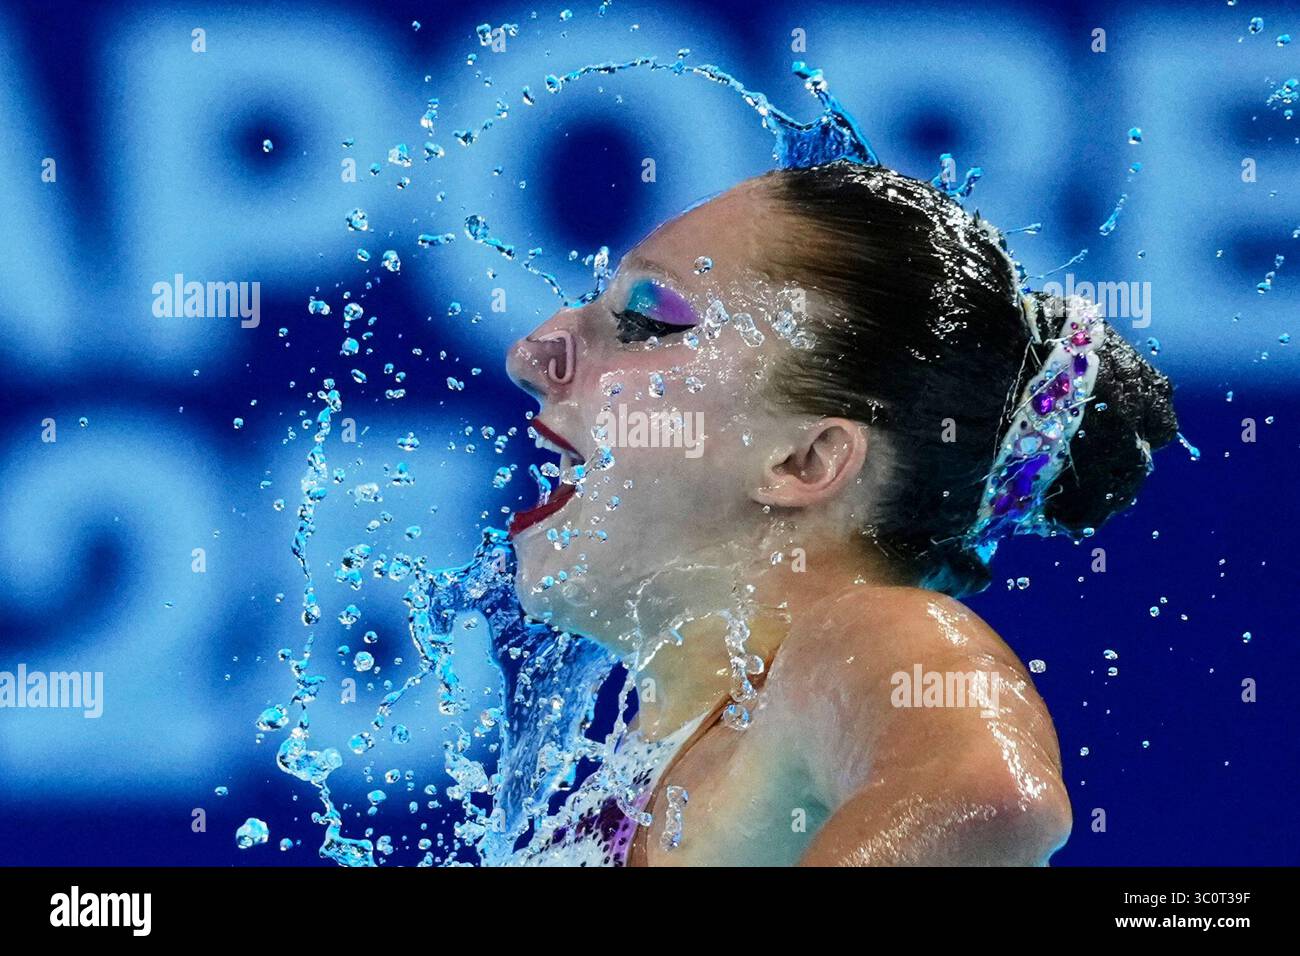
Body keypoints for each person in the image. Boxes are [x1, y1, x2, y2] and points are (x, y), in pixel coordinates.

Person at [503, 160, 1178, 866]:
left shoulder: (860, 642)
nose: (532, 353)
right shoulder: (699, 751)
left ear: (807, 461)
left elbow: (989, 798)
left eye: (646, 321)